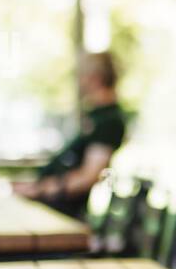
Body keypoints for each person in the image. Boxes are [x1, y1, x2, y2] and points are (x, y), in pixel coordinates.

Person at [16, 51, 127, 219]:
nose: (79, 82)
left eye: (81, 75)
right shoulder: (96, 117)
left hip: (61, 213)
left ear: (95, 78)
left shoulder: (108, 121)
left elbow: (88, 177)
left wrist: (40, 189)